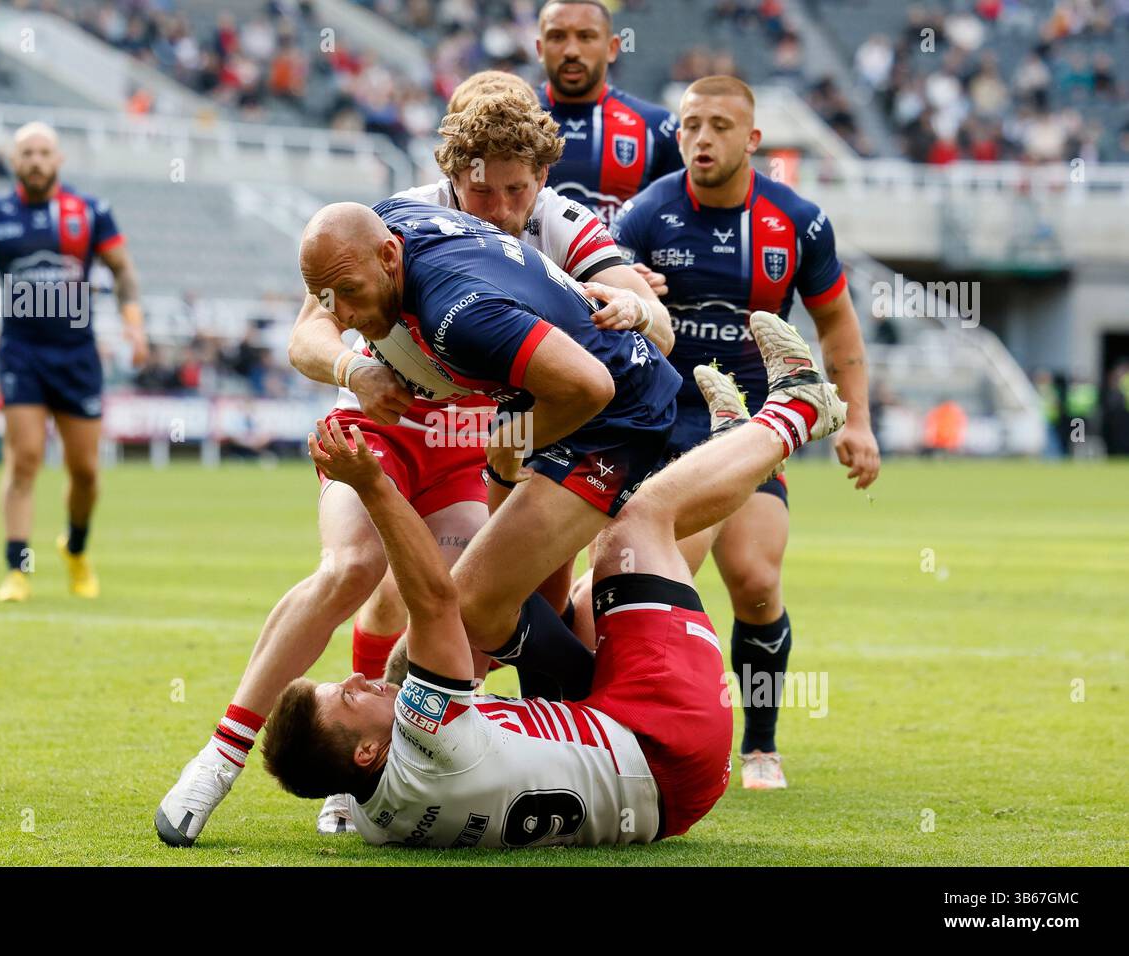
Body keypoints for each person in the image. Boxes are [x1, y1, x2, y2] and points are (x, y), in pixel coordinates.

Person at [155, 81, 673, 843]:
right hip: (394, 422)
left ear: (540, 180)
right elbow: (310, 333)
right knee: (354, 569)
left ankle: (370, 765)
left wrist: (638, 309)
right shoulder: (397, 218)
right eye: (480, 188)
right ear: (453, 172)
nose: (496, 207)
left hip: (489, 434)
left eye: (514, 190)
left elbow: (642, 316)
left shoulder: (561, 223)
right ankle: (219, 759)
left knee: (468, 607)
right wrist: (353, 370)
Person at [262, 310, 847, 847]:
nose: (355, 680)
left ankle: (728, 453)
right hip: (663, 738)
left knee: (604, 589)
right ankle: (797, 410)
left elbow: (419, 660)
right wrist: (371, 484)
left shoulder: (374, 817)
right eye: (345, 696)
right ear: (368, 751)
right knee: (629, 529)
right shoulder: (423, 736)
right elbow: (437, 600)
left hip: (654, 781)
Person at [598, 75, 881, 790]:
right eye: (691, 124)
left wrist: (860, 423)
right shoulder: (645, 214)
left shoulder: (798, 222)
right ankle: (617, 730)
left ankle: (760, 745)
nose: (701, 138)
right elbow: (592, 289)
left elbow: (838, 322)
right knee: (658, 577)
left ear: (751, 140)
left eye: (719, 125)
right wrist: (626, 286)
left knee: (755, 583)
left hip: (755, 427)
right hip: (665, 427)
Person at [0, 122, 148, 602]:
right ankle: (17, 568)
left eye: (43, 152)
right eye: (26, 152)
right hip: (21, 355)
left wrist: (134, 325)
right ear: (13, 161)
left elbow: (123, 273)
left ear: (58, 160)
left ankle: (74, 548)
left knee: (86, 472)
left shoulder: (91, 212)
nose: (35, 160)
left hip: (77, 356)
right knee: (25, 458)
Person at [535, 0, 684, 226]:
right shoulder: (512, 119)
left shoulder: (657, 127)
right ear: (540, 49)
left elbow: (677, 221)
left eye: (586, 37)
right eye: (557, 37)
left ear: (612, 48)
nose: (572, 51)